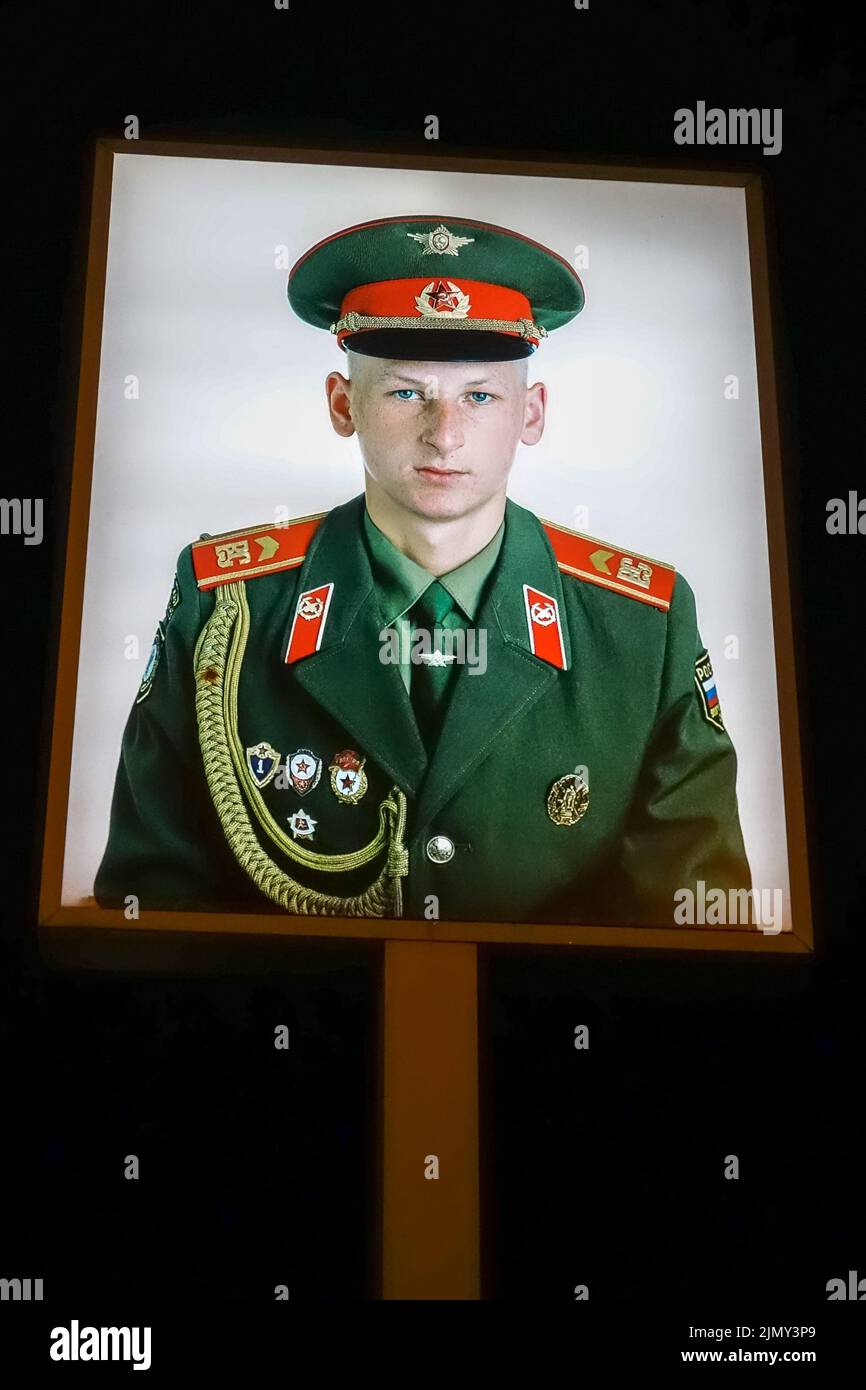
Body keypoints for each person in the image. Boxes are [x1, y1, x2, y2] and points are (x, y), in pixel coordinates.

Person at [94, 214, 750, 924]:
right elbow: (152, 909)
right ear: (343, 406)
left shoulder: (641, 627)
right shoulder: (226, 605)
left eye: (479, 395)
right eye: (406, 393)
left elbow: (698, 930)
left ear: (530, 414)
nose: (445, 434)